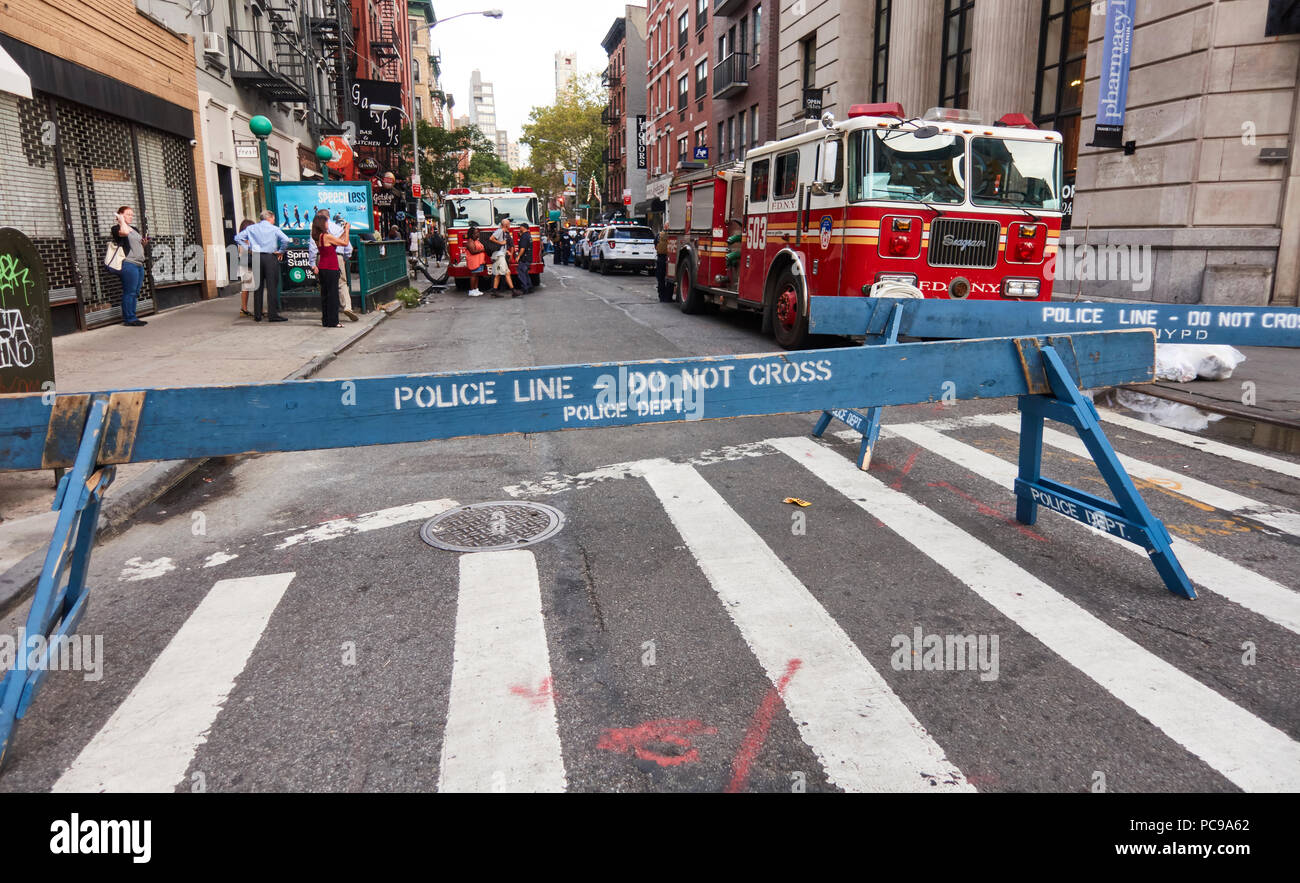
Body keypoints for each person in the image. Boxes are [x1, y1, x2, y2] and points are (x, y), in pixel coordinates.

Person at [234, 209, 290, 322]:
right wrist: (281, 251)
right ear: (269, 218)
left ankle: (257, 315)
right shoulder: (274, 229)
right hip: (270, 257)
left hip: (256, 257)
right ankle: (272, 315)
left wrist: (248, 248)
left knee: (258, 287)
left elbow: (237, 238)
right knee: (272, 286)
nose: (274, 220)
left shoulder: (251, 228)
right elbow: (286, 239)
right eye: (273, 218)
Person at [306, 210, 359, 322]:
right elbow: (345, 244)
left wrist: (312, 263)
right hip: (334, 260)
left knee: (325, 290)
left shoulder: (316, 234)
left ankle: (326, 317)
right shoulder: (329, 233)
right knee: (340, 285)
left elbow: (313, 249)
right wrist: (347, 230)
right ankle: (346, 308)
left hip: (321, 260)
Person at [110, 205, 149, 326]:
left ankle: (133, 316)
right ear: (121, 215)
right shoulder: (116, 228)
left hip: (139, 264)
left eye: (132, 215)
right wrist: (121, 220)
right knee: (130, 291)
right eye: (128, 214)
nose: (131, 216)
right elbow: (124, 232)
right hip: (128, 264)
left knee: (136, 292)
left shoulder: (135, 229)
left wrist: (144, 243)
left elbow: (137, 246)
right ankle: (129, 319)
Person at [312, 213, 348, 328]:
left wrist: (343, 232)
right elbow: (345, 243)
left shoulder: (319, 236)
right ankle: (334, 321)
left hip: (323, 267)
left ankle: (326, 320)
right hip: (331, 268)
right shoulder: (326, 236)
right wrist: (347, 230)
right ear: (322, 224)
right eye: (326, 222)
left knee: (325, 295)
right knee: (333, 296)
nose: (328, 224)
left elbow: (337, 241)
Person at [488, 218, 515, 297]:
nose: (510, 226)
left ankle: (494, 291)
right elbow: (491, 238)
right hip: (499, 256)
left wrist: (505, 250)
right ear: (506, 225)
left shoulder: (504, 232)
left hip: (499, 254)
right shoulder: (500, 231)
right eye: (509, 224)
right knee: (507, 273)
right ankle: (513, 291)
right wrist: (501, 242)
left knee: (497, 274)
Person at [237, 219, 256, 317]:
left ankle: (243, 309)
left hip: (245, 265)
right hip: (248, 265)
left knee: (246, 288)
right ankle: (245, 309)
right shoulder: (245, 240)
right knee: (249, 287)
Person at [464, 222, 486, 297]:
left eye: (478, 233)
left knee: (476, 275)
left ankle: (476, 289)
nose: (478, 234)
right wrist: (482, 250)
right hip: (474, 262)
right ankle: (472, 290)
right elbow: (473, 251)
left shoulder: (476, 241)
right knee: (473, 275)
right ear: (472, 234)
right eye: (476, 233)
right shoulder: (470, 241)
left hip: (478, 261)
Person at [514, 220, 534, 294]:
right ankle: (529, 287)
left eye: (520, 227)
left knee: (521, 273)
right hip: (528, 257)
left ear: (523, 227)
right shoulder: (528, 235)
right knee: (525, 273)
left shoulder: (524, 236)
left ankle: (525, 288)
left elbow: (523, 248)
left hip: (524, 258)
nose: (519, 228)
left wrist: (518, 256)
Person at [655, 228, 672, 302]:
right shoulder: (672, 235)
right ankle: (668, 297)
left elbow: (655, 244)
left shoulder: (659, 235)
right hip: (670, 258)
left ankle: (661, 296)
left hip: (661, 257)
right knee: (670, 279)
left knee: (660, 278)